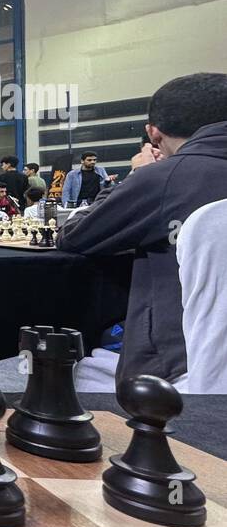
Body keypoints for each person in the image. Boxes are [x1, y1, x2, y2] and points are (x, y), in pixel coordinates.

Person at [58, 73, 227, 384]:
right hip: (207, 369)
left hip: (176, 371)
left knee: (77, 375)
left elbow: (74, 236)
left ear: (154, 134)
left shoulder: (166, 178)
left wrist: (138, 176)